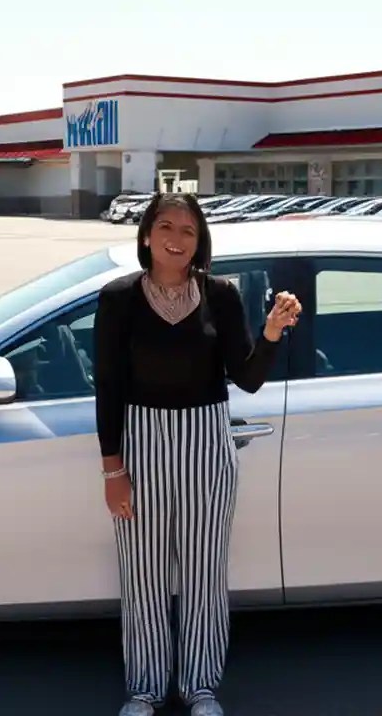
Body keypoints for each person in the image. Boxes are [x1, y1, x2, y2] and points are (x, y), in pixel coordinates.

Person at [92, 192, 302, 716]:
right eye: (166, 227)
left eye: (189, 231)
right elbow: (108, 389)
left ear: (200, 240)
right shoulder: (118, 299)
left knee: (205, 573)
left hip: (206, 444)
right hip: (141, 446)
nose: (177, 240)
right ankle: (144, 689)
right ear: (146, 235)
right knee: (142, 572)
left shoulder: (221, 295)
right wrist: (112, 469)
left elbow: (247, 378)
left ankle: (200, 687)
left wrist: (273, 331)